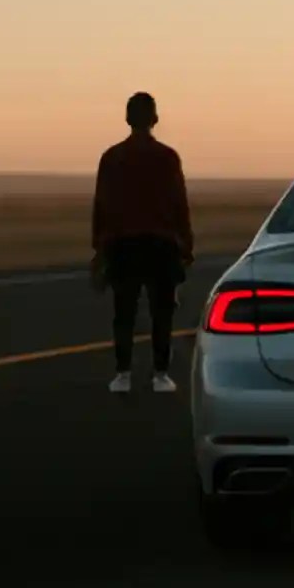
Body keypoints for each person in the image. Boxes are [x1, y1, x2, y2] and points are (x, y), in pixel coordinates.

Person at [92, 91, 194, 393]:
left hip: (122, 246)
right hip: (161, 246)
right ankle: (160, 374)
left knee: (123, 312)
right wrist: (186, 245)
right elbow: (180, 205)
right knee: (162, 312)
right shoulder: (168, 157)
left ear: (127, 118)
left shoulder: (111, 158)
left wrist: (99, 248)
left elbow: (101, 205)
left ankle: (122, 374)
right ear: (155, 119)